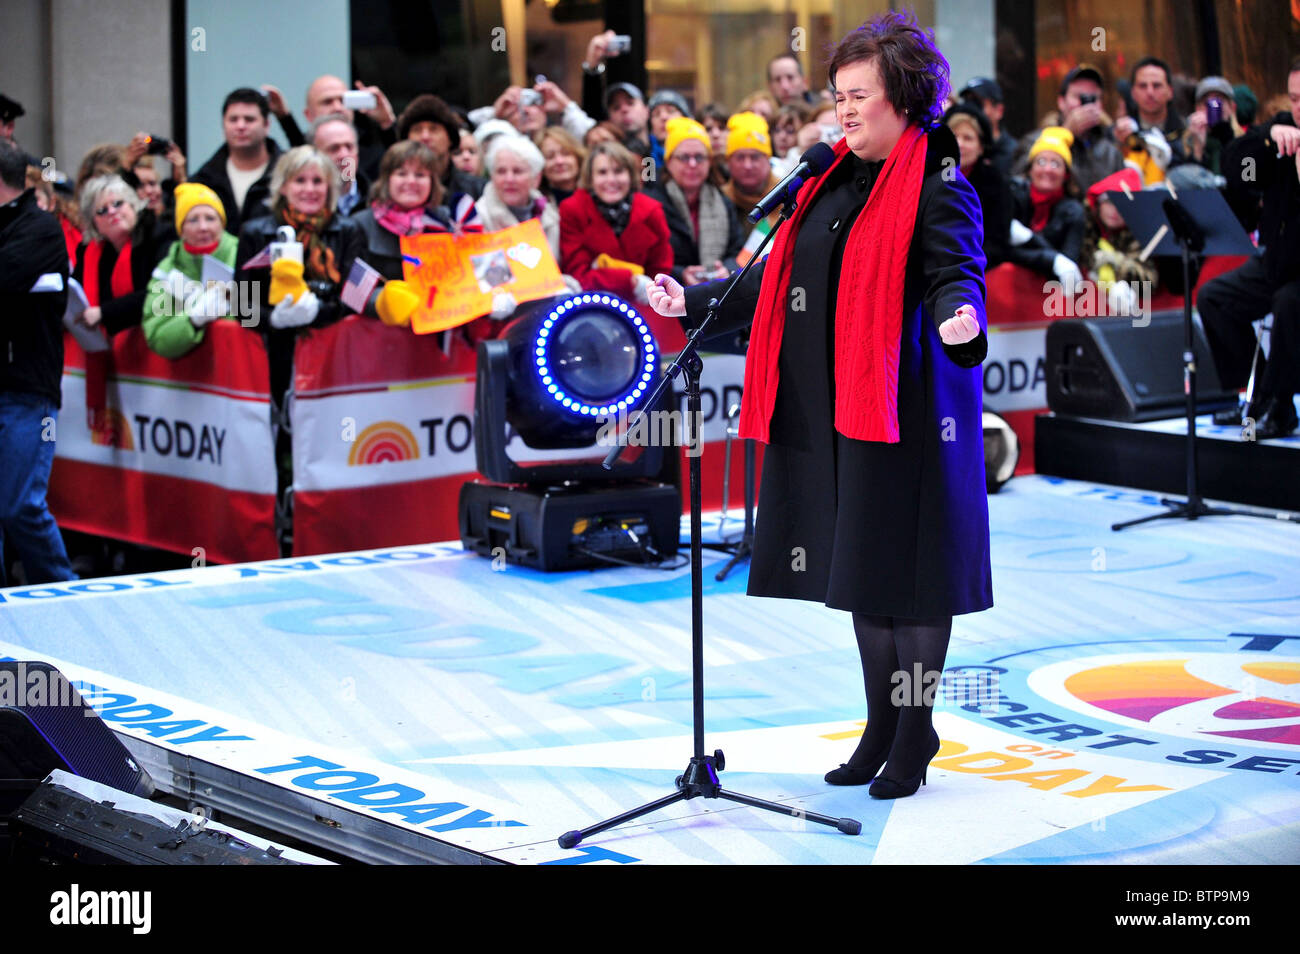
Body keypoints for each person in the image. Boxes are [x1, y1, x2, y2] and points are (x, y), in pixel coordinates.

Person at [648, 12, 990, 799]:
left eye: (859, 95)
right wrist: (694, 298)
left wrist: (959, 318)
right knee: (864, 572)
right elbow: (780, 283)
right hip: (840, 406)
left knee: (913, 579)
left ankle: (915, 731)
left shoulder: (941, 184)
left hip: (907, 408)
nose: (843, 109)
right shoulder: (828, 178)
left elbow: (955, 273)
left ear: (904, 98)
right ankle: (881, 723)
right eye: (838, 94)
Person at [1198, 59, 1300, 439]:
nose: (1298, 107)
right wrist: (1268, 136)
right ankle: (1250, 395)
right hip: (1275, 260)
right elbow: (1237, 167)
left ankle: (1280, 401)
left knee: (1289, 304)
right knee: (1214, 297)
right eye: (1294, 98)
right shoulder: (1279, 132)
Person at [0, 138, 77, 586]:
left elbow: (5, 278)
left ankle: (64, 594)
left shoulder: (41, 229)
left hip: (26, 389)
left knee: (20, 505)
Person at [236, 145, 365, 405]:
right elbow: (241, 307)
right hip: (272, 359)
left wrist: (320, 311)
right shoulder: (254, 232)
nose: (309, 189)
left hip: (334, 357)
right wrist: (274, 319)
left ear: (329, 187)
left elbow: (356, 297)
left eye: (318, 181)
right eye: (300, 181)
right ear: (283, 187)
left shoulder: (350, 230)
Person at [348, 141, 466, 328]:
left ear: (432, 182)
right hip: (377, 337)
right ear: (387, 179)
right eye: (401, 173)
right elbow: (351, 292)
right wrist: (383, 303)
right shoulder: (360, 224)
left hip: (438, 335)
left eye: (420, 175)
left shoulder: (449, 222)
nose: (411, 181)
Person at [559, 140, 672, 301]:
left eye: (619, 171)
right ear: (590, 178)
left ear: (631, 175)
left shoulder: (652, 210)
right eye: (602, 172)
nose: (611, 180)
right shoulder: (573, 210)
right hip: (594, 303)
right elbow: (578, 275)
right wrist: (631, 281)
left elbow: (661, 272)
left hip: (647, 304)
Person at [642, 116, 743, 287]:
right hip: (664, 297)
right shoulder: (649, 203)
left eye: (699, 157)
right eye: (684, 157)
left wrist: (726, 270)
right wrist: (680, 274)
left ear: (709, 162)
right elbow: (644, 259)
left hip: (715, 297)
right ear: (668, 162)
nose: (692, 164)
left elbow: (737, 251)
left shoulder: (723, 202)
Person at [142, 183, 239, 359]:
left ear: (222, 223)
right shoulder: (168, 270)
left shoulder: (242, 257)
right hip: (194, 380)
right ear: (181, 230)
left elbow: (255, 320)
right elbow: (157, 337)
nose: (203, 227)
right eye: (193, 220)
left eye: (210, 218)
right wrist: (193, 319)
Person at [73, 174, 165, 338]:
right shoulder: (92, 253)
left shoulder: (157, 235)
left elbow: (159, 294)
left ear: (133, 205)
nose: (112, 212)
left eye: (117, 204)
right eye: (102, 210)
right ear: (95, 224)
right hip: (111, 347)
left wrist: (104, 312)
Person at [1013, 65, 1124, 193]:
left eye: (1093, 99)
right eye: (1079, 97)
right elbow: (1018, 180)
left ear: (1101, 105)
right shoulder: (1037, 140)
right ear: (1061, 102)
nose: (1085, 105)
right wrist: (1065, 134)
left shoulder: (1110, 149)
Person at [190, 88, 283, 234]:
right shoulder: (203, 180)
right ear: (223, 125)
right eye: (233, 120)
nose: (240, 126)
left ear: (266, 125)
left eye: (249, 119)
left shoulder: (288, 175)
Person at [1006, 127, 1085, 288]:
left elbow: (1068, 266)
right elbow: (999, 251)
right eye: (1041, 162)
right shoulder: (1013, 196)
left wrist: (1029, 239)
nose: (1047, 169)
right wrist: (1051, 259)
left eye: (1056, 163)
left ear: (1066, 174)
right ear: (1030, 169)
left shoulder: (1074, 211)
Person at [474, 134, 563, 262]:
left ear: (536, 179)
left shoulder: (549, 215)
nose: (509, 179)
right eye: (501, 171)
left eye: (517, 171)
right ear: (492, 177)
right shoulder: (478, 218)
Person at [944, 101, 1011, 269]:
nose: (959, 143)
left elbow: (997, 242)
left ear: (981, 147)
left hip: (977, 269)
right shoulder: (929, 176)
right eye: (953, 135)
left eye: (968, 138)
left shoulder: (995, 182)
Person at [399, 93, 486, 201]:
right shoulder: (396, 191)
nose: (425, 137)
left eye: (433, 129)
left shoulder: (479, 190)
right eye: (417, 129)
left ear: (450, 139)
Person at [721, 112, 780, 240]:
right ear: (729, 162)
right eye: (740, 157)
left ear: (768, 159)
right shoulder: (719, 201)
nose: (747, 165)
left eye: (755, 157)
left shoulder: (787, 198)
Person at [311, 114, 368, 217]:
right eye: (334, 148)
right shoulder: (303, 206)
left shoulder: (378, 202)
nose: (344, 155)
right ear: (315, 155)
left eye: (349, 147)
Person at [959, 77, 1016, 176]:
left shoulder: (1013, 153)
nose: (970, 109)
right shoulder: (955, 147)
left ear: (999, 111)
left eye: (978, 103)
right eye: (967, 102)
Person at [534, 126, 587, 207]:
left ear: (578, 158)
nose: (559, 161)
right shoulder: (535, 205)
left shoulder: (597, 194)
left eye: (566, 153)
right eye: (550, 156)